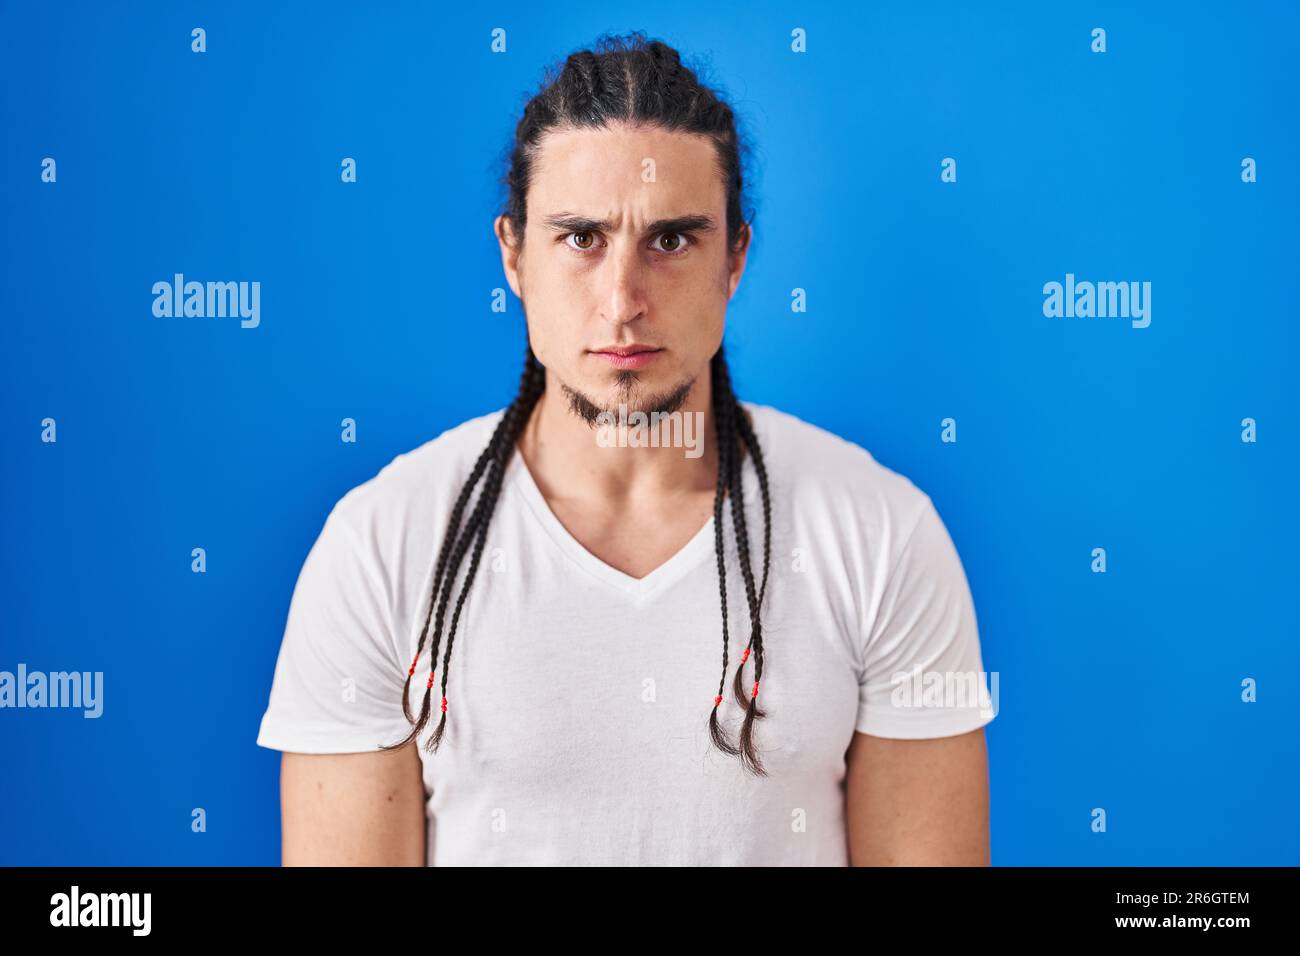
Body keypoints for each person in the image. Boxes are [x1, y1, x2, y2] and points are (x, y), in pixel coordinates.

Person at [256, 31, 995, 866]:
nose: (622, 301)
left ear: (736, 260)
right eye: (581, 239)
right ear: (514, 256)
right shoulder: (381, 546)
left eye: (671, 241)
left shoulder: (881, 534)